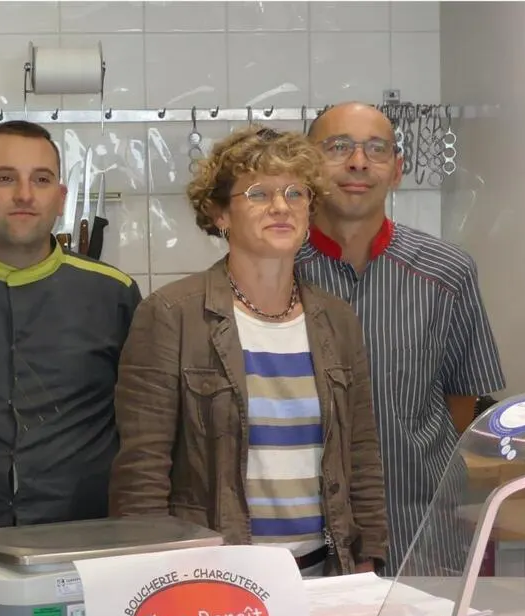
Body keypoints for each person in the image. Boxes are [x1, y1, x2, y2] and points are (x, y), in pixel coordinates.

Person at [109, 126, 388, 576]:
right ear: (220, 213)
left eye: (296, 193)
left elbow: (361, 455)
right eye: (259, 194)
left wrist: (366, 562)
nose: (281, 206)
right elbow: (142, 472)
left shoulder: (337, 319)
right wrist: (156, 578)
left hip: (324, 572)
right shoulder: (171, 315)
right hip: (212, 576)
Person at [0, 120, 143, 533]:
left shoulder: (114, 294)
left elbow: (146, 425)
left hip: (87, 536)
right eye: (4, 178)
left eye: (42, 179)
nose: (25, 194)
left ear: (60, 198)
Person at [300, 102, 506, 574]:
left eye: (377, 149)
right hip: (304, 538)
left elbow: (461, 400)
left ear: (397, 170)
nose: (358, 162)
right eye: (339, 147)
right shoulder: (275, 272)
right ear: (307, 166)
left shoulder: (447, 271)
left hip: (418, 529)